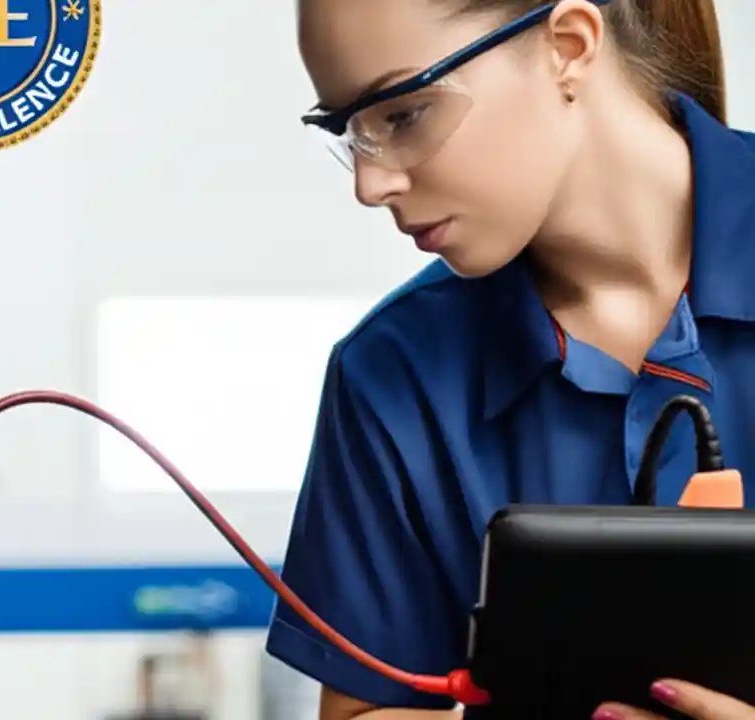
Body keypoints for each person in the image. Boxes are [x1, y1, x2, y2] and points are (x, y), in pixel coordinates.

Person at [265, 0, 755, 719]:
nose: (370, 187)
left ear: (569, 45)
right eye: (348, 131)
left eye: (402, 114)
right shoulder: (391, 374)